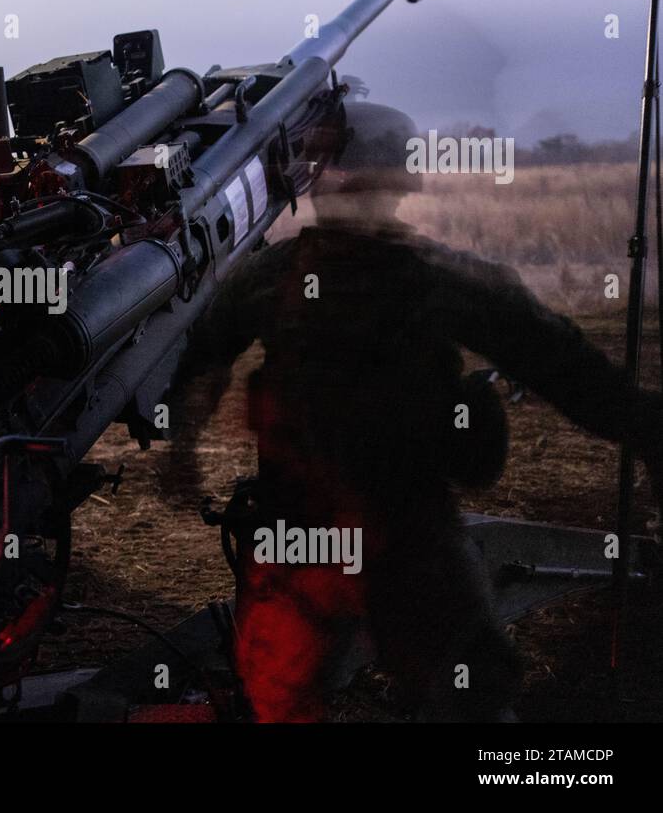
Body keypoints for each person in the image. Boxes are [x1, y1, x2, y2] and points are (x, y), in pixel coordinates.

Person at [190, 101, 663, 721]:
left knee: (281, 696)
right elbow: (563, 366)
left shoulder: (271, 277)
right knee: (471, 690)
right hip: (400, 537)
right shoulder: (440, 279)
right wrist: (644, 427)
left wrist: (180, 445)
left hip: (297, 540)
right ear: (400, 180)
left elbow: (201, 360)